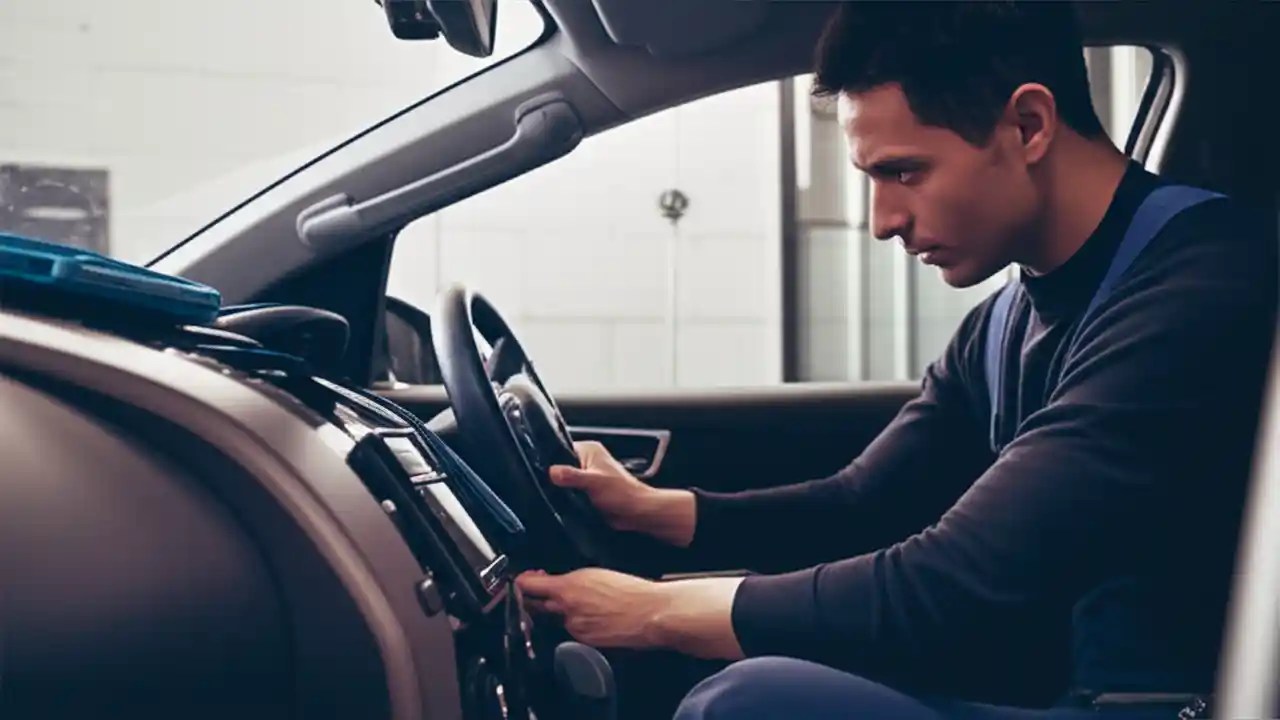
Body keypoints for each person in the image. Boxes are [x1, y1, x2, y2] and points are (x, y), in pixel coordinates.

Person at [516, 2, 1278, 718]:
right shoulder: (1009, 316)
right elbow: (863, 505)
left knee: (745, 704)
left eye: (904, 172)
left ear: (1029, 124)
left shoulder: (1203, 290)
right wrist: (662, 514)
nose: (883, 222)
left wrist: (653, 612)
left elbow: (952, 585)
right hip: (1045, 683)